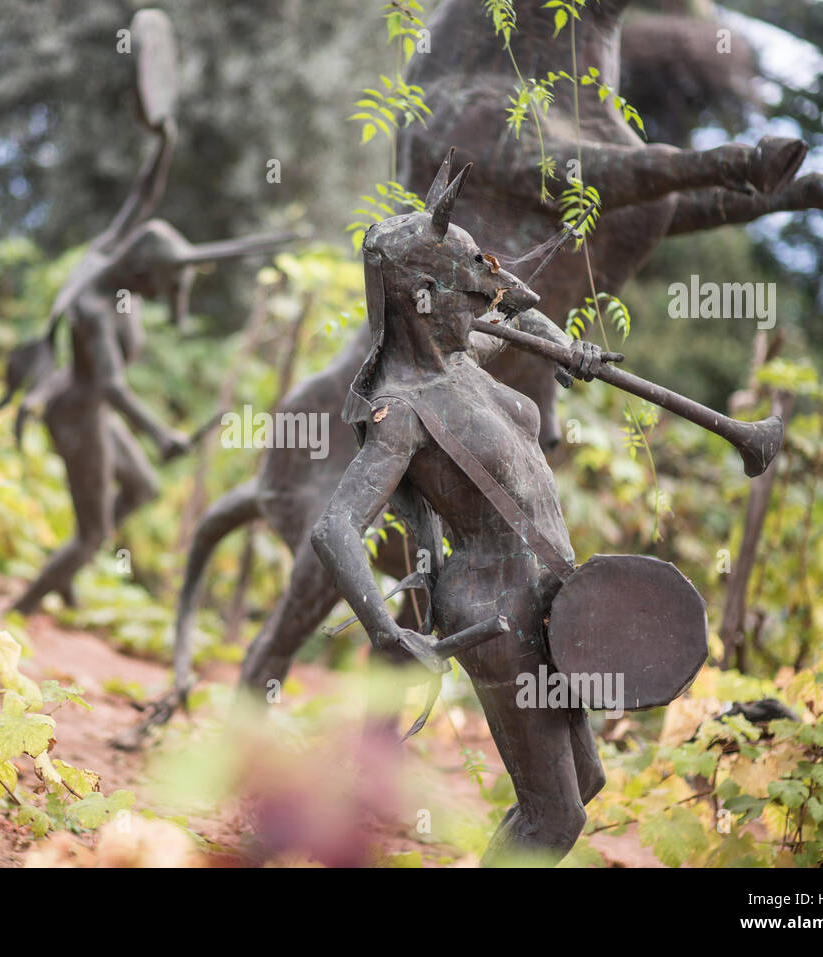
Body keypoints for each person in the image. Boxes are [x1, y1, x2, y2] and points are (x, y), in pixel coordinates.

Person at [309, 153, 619, 864]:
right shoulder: (404, 413)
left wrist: (568, 350)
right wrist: (388, 631)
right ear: (419, 296)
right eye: (465, 297)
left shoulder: (462, 358)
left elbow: (521, 309)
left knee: (585, 784)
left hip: (550, 596)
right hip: (498, 615)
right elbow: (335, 528)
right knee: (556, 816)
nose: (484, 311)